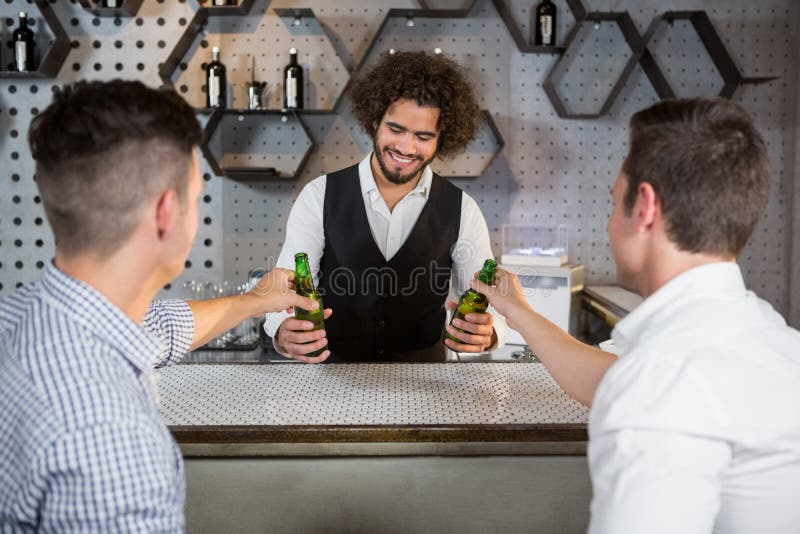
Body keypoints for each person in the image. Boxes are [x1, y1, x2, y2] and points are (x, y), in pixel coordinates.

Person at [0, 80, 317, 531]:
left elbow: (159, 328)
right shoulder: (111, 440)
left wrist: (254, 301)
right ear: (166, 213)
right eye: (196, 193)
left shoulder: (22, 317)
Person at [473, 98, 800, 533]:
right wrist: (520, 313)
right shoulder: (773, 340)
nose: (610, 224)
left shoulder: (661, 382)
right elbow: (608, 380)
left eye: (614, 203)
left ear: (644, 207)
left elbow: (647, 388)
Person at [265, 50, 508, 363]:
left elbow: (489, 300)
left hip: (427, 389)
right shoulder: (318, 196)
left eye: (422, 136)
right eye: (396, 130)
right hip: (333, 385)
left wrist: (490, 333)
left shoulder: (463, 209)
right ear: (375, 121)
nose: (406, 147)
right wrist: (282, 331)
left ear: (440, 138)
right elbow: (283, 291)